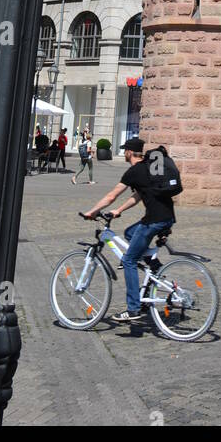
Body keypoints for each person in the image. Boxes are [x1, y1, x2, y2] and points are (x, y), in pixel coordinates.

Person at [82, 137, 178, 324]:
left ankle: (133, 308)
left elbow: (111, 196)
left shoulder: (134, 171)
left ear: (128, 152)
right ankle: (155, 268)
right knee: (130, 233)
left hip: (154, 221)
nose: (124, 153)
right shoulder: (149, 168)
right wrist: (119, 210)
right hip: (166, 218)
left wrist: (92, 212)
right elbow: (138, 195)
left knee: (128, 260)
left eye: (125, 151)